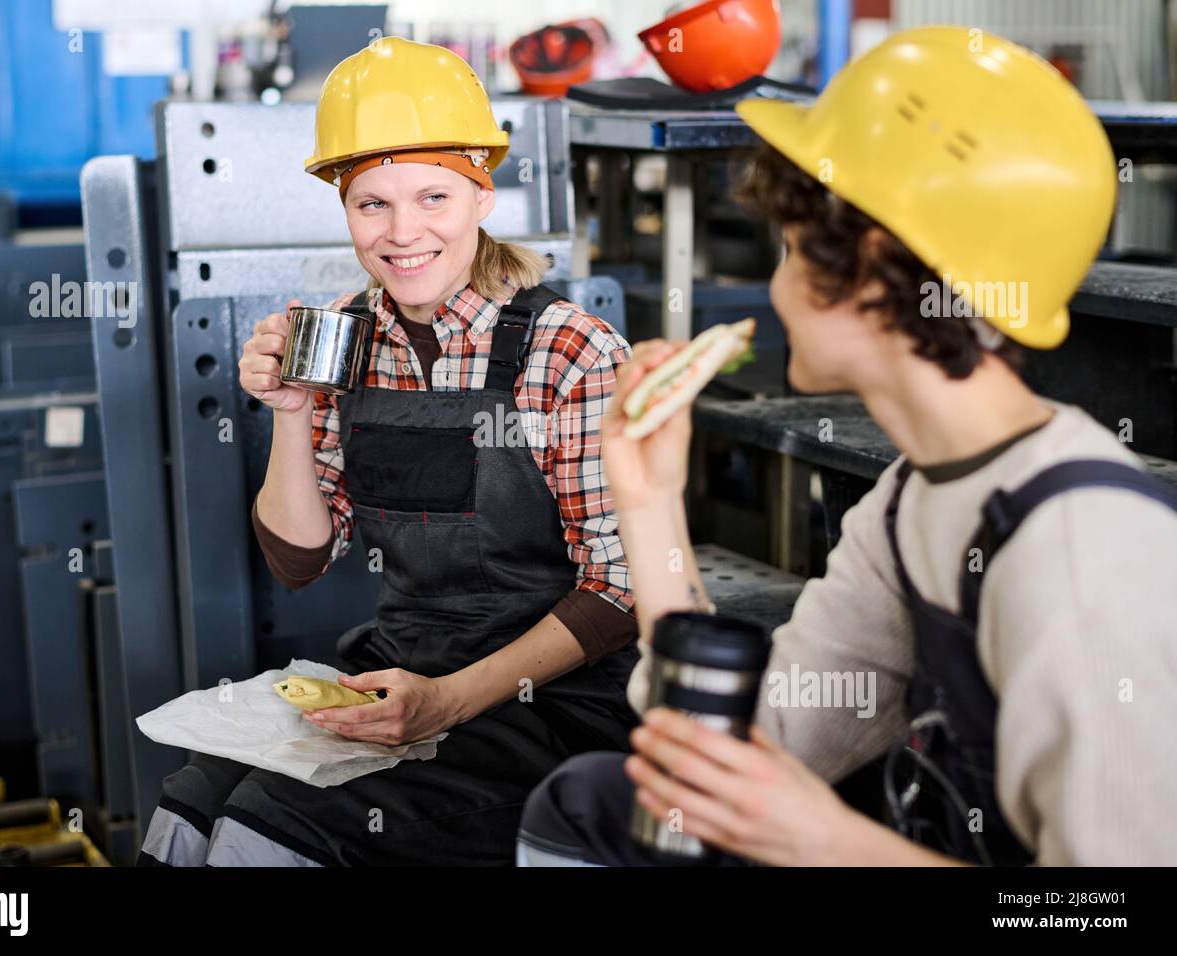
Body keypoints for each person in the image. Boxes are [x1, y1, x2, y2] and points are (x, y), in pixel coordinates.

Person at [517, 25, 1177, 867]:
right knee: (595, 805)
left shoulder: (1084, 558)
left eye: (789, 246)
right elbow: (759, 741)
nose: (777, 279)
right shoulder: (918, 496)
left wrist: (828, 843)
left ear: (865, 269)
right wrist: (645, 502)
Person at [138, 37, 639, 867]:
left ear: (482, 194)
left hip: (548, 704)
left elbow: (619, 594)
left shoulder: (571, 351)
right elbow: (301, 559)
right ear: (343, 204)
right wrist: (292, 413)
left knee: (267, 828)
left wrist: (447, 703)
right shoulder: (342, 336)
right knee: (191, 806)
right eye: (372, 204)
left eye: (434, 196)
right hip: (400, 673)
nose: (404, 232)